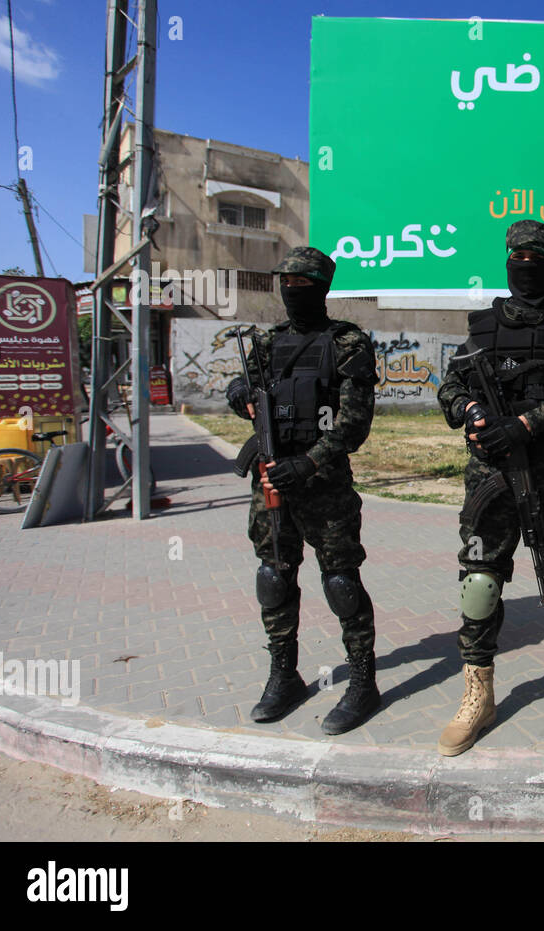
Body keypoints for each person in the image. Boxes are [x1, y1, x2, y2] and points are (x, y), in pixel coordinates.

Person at [435, 220, 544, 756]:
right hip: (489, 473)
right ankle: (477, 694)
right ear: (506, 260)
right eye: (517, 257)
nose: (525, 265)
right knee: (480, 582)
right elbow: (449, 388)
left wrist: (527, 424)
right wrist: (472, 411)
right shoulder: (479, 326)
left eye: (536, 258)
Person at [224, 245, 381, 735]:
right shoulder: (267, 344)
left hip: (323, 483)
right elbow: (251, 393)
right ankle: (283, 675)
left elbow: (354, 424)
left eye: (302, 285)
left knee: (340, 582)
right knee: (273, 574)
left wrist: (308, 463)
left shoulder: (348, 342)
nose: (292, 293)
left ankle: (362, 681)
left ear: (323, 287)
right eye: (285, 284)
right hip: (271, 478)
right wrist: (237, 394)